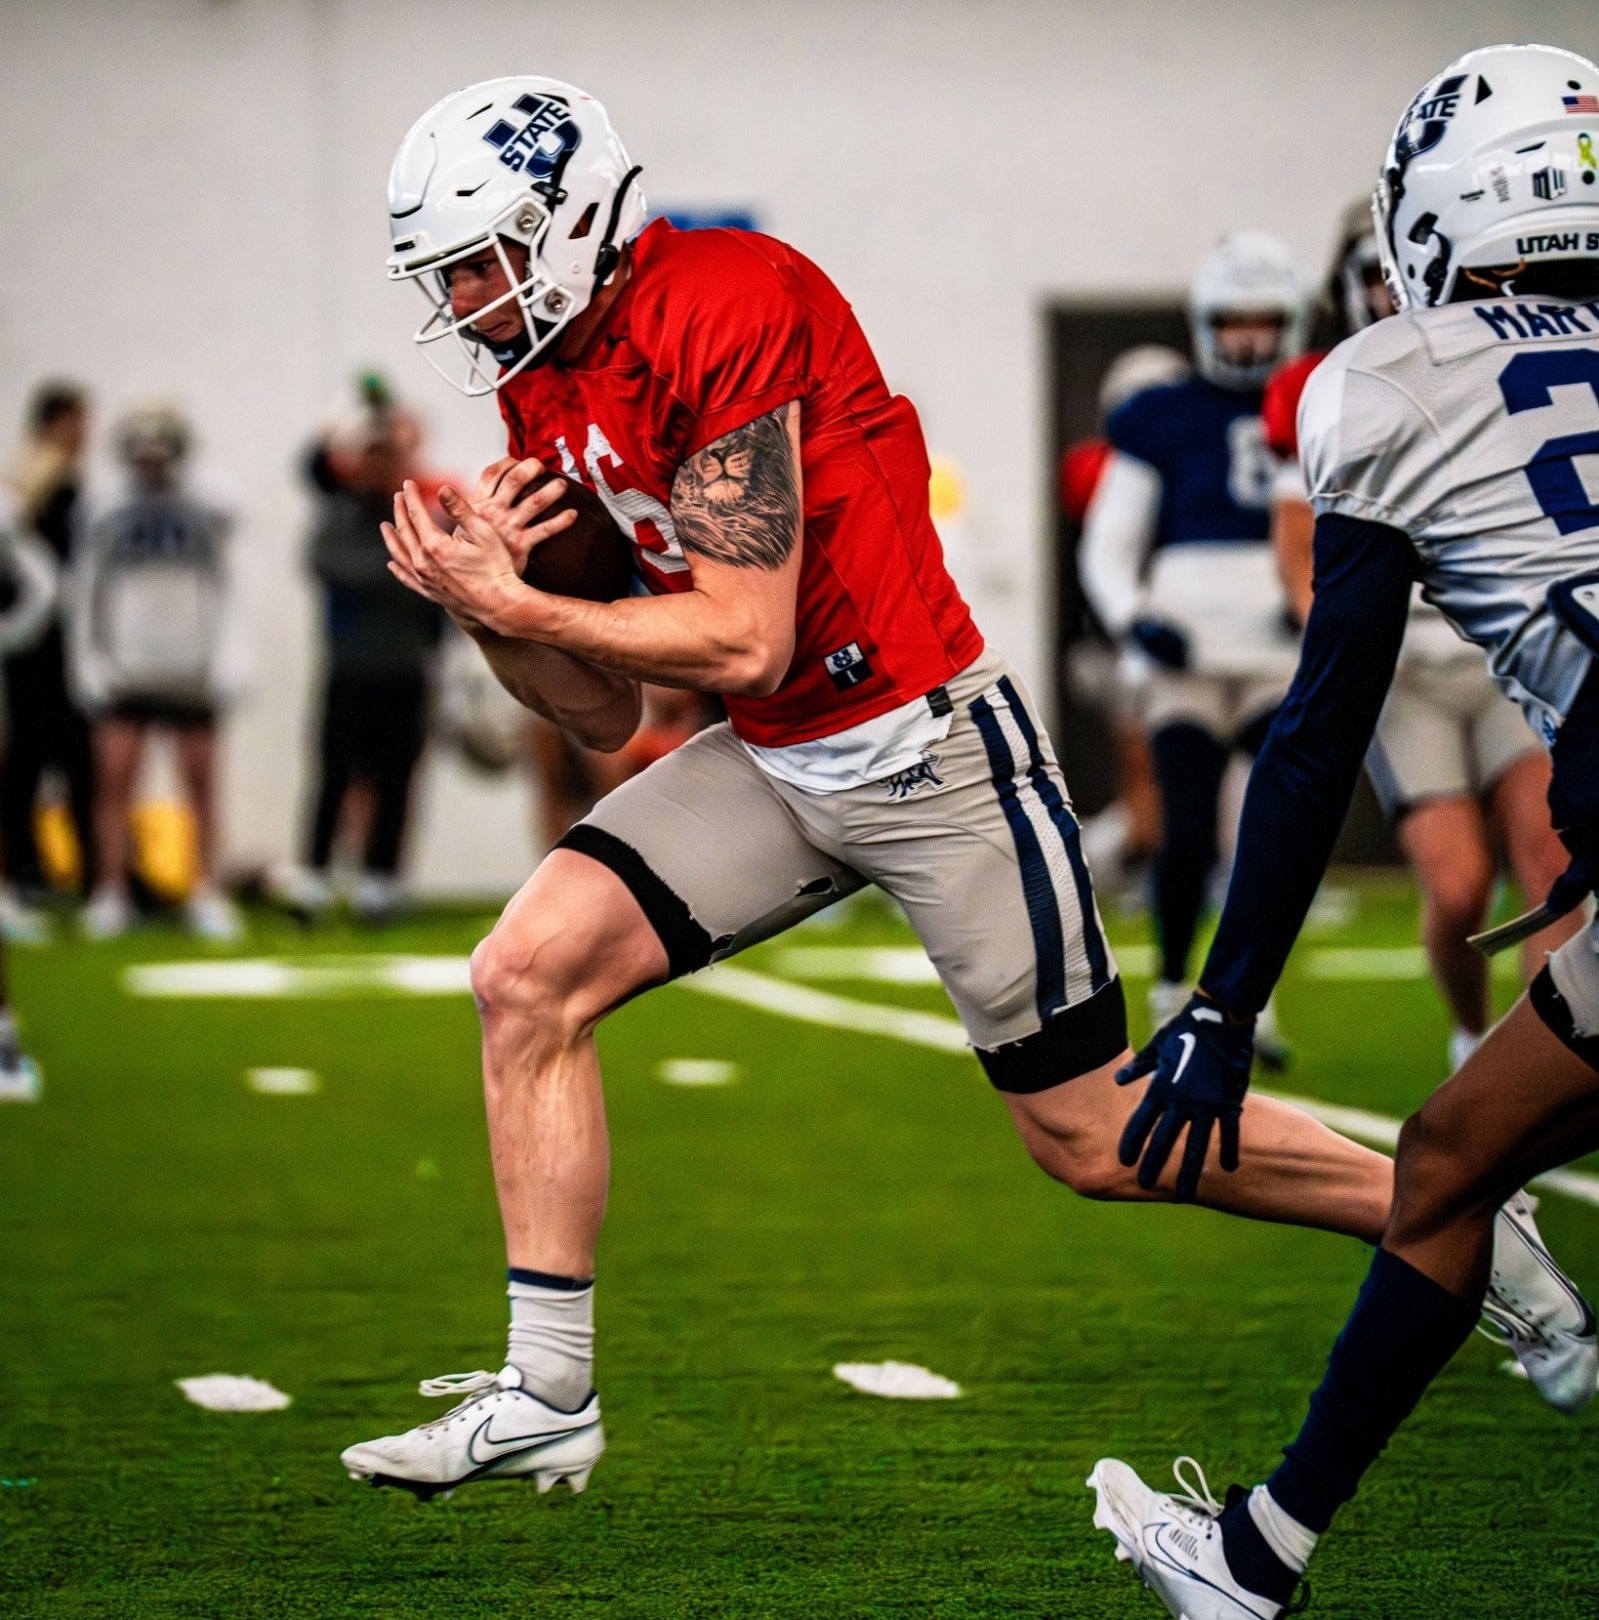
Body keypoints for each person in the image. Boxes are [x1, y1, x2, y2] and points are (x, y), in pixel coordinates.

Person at [340, 76, 1587, 1502]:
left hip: (924, 747)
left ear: (565, 222)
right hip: (774, 751)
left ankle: (1460, 1225)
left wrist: (525, 603)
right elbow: (604, 705)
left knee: (1096, 1137)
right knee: (526, 975)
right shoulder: (540, 379)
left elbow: (739, 629)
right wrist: (489, 610)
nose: (464, 298)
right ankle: (545, 1388)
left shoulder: (728, 295)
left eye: (480, 260)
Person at [1089, 44, 1599, 1618]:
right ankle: (1252, 1556)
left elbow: (1316, 733)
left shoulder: (1385, 376)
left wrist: (1225, 1001)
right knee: (1454, 1152)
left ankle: (1250, 1566)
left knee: (1444, 1168)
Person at [1266, 204, 1579, 1071]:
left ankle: (1533, 1073)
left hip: (1505, 658)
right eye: (1365, 275)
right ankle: (1471, 1036)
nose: (1383, 289)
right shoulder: (1334, 383)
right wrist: (1336, 635)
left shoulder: (1496, 355)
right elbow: (1297, 544)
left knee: (1552, 872)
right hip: (1403, 669)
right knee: (1458, 884)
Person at [1080, 239, 1304, 1058]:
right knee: (1183, 828)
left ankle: (1249, 997)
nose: (1247, 337)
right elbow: (1108, 542)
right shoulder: (1162, 413)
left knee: (1260, 830)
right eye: (1232, 320)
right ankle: (1175, 984)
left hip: (1277, 658)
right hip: (1189, 656)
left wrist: (1316, 604)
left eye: (1263, 320)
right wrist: (1135, 615)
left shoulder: (1320, 398)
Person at [274, 376, 445, 925]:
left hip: (405, 668)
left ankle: (381, 879)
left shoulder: (416, 516)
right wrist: (397, 571)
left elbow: (440, 586)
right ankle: (316, 875)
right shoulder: (340, 516)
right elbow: (329, 567)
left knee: (397, 777)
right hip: (351, 668)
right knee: (333, 774)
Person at [71, 404, 246, 940]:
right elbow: (84, 589)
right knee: (114, 784)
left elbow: (233, 584)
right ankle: (111, 890)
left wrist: (228, 657)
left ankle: (204, 889)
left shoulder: (210, 505)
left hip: (190, 670)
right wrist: (89, 661)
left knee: (202, 786)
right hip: (126, 670)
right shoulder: (104, 508)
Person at [1060, 346, 1191, 896]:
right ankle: (1137, 864)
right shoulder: (1100, 468)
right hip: (1119, 644)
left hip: (1185, 640)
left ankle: (1181, 866)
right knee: (1144, 765)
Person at [2, 382, 96, 919]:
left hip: (62, 645)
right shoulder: (33, 476)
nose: (86, 434)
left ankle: (70, 871)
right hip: (35, 651)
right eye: (79, 421)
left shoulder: (72, 482)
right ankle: (25, 871)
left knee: (73, 762)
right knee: (30, 762)